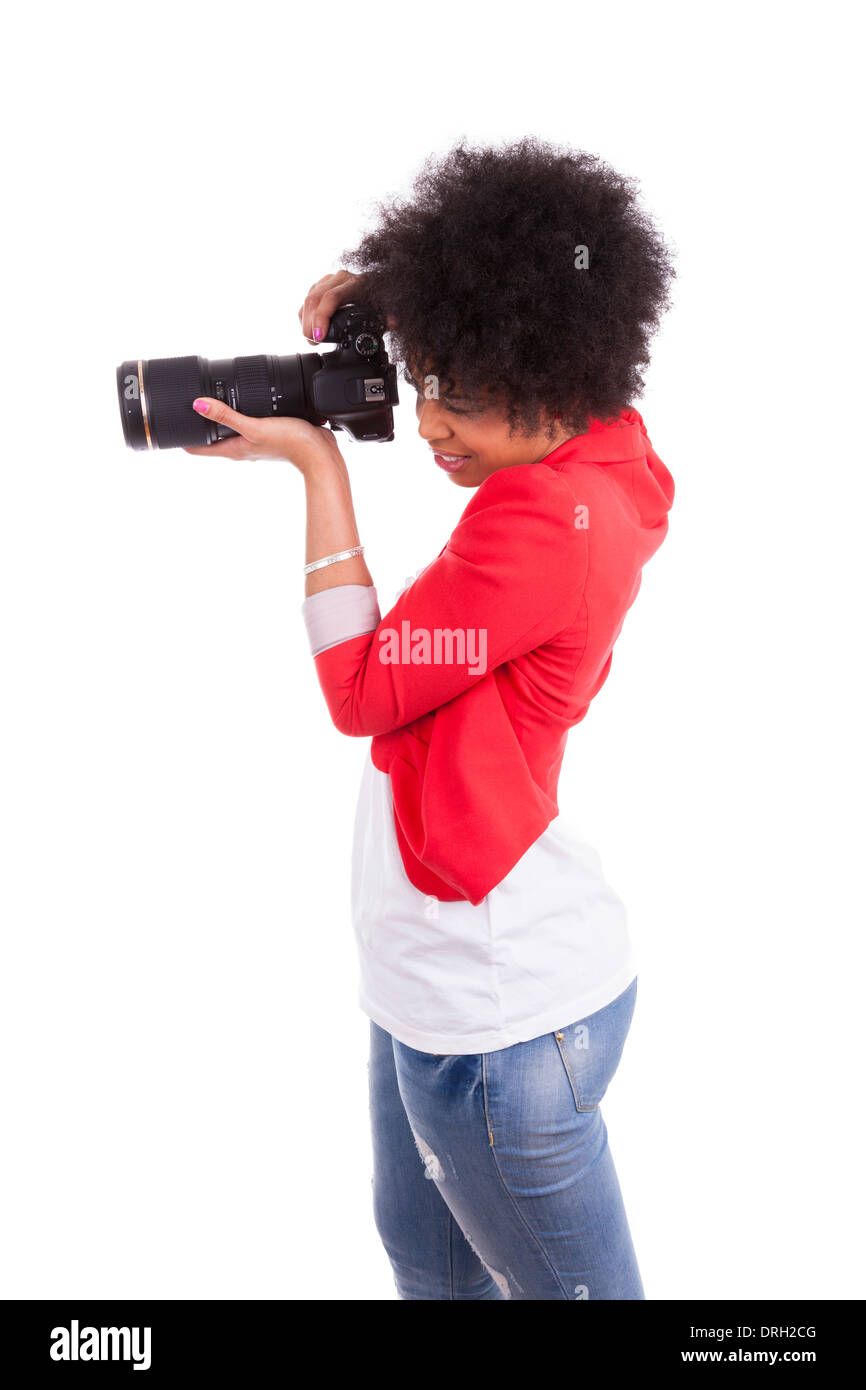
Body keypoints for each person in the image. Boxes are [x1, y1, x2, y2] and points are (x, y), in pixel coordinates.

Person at [184, 137, 675, 1300]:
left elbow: (361, 688)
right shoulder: (612, 460)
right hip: (433, 994)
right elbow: (545, 297)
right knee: (430, 1274)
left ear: (555, 385)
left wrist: (316, 472)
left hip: (498, 1026)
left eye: (465, 398)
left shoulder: (539, 530)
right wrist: (404, 297)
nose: (430, 424)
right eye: (422, 382)